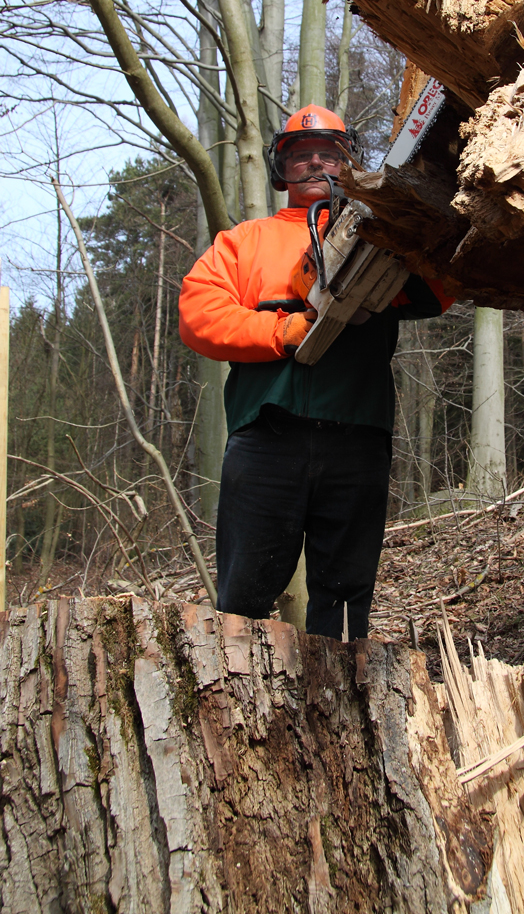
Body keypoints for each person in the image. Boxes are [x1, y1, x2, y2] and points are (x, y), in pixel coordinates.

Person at [179, 105, 450, 639]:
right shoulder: (243, 241)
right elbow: (199, 316)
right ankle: (239, 700)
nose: (316, 165)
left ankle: (345, 705)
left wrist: (407, 247)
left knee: (346, 599)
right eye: (302, 156)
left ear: (348, 165)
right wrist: (281, 331)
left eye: (329, 155)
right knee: (245, 595)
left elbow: (440, 290)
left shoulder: (382, 232)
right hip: (266, 437)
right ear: (282, 168)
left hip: (357, 433)